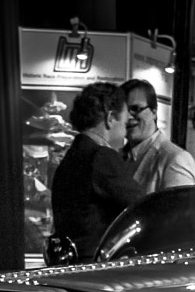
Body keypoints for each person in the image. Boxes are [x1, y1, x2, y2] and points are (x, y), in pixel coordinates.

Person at [50, 81, 143, 261]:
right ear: (110, 118)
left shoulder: (73, 155)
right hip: (96, 269)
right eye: (124, 123)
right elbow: (142, 205)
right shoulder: (101, 156)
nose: (125, 132)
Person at [122, 78, 195, 195]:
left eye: (136, 109)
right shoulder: (119, 156)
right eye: (123, 111)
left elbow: (179, 212)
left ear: (154, 112)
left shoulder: (175, 159)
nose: (128, 117)